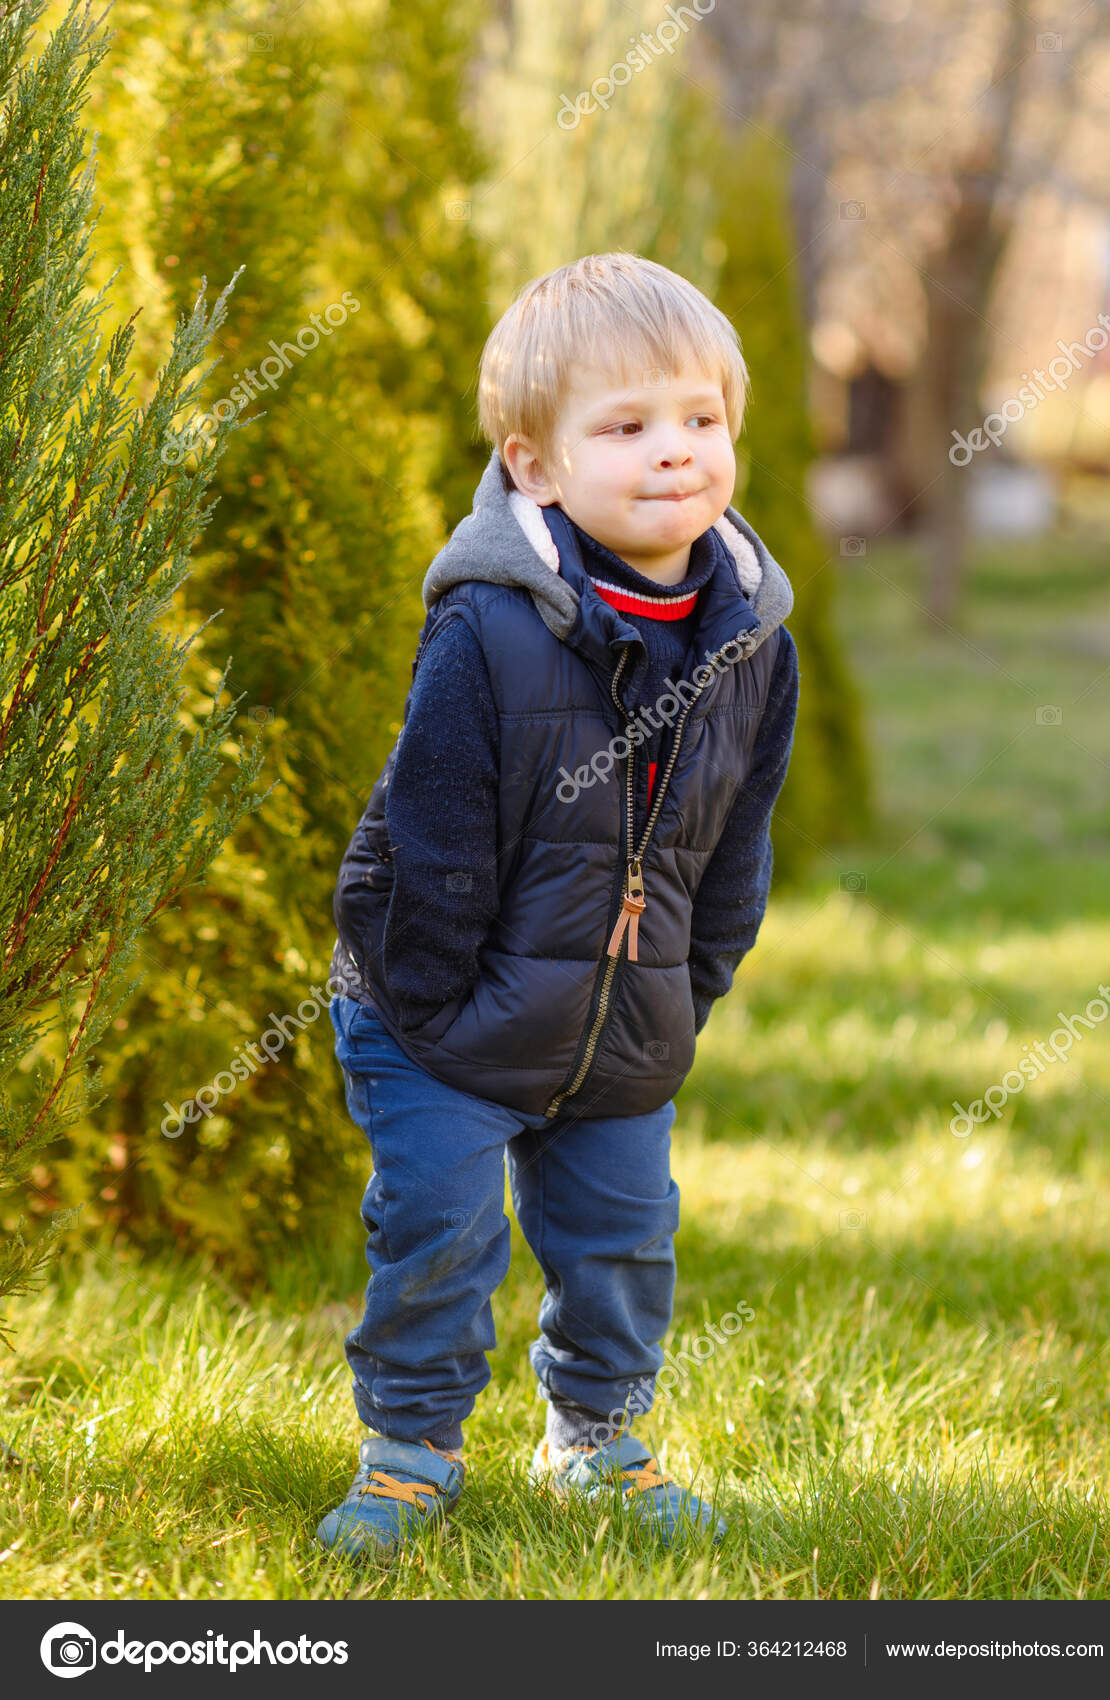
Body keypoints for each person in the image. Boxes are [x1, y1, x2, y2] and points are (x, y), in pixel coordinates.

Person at [317, 252, 800, 1561]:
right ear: (534, 466)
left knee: (624, 1241)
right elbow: (435, 837)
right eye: (626, 426)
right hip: (435, 1006)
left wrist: (690, 987)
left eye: (701, 420)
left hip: (621, 1018)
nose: (673, 454)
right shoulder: (492, 625)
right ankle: (410, 1451)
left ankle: (598, 1441)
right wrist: (430, 1010)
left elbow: (734, 837)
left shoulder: (752, 637)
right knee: (441, 1232)